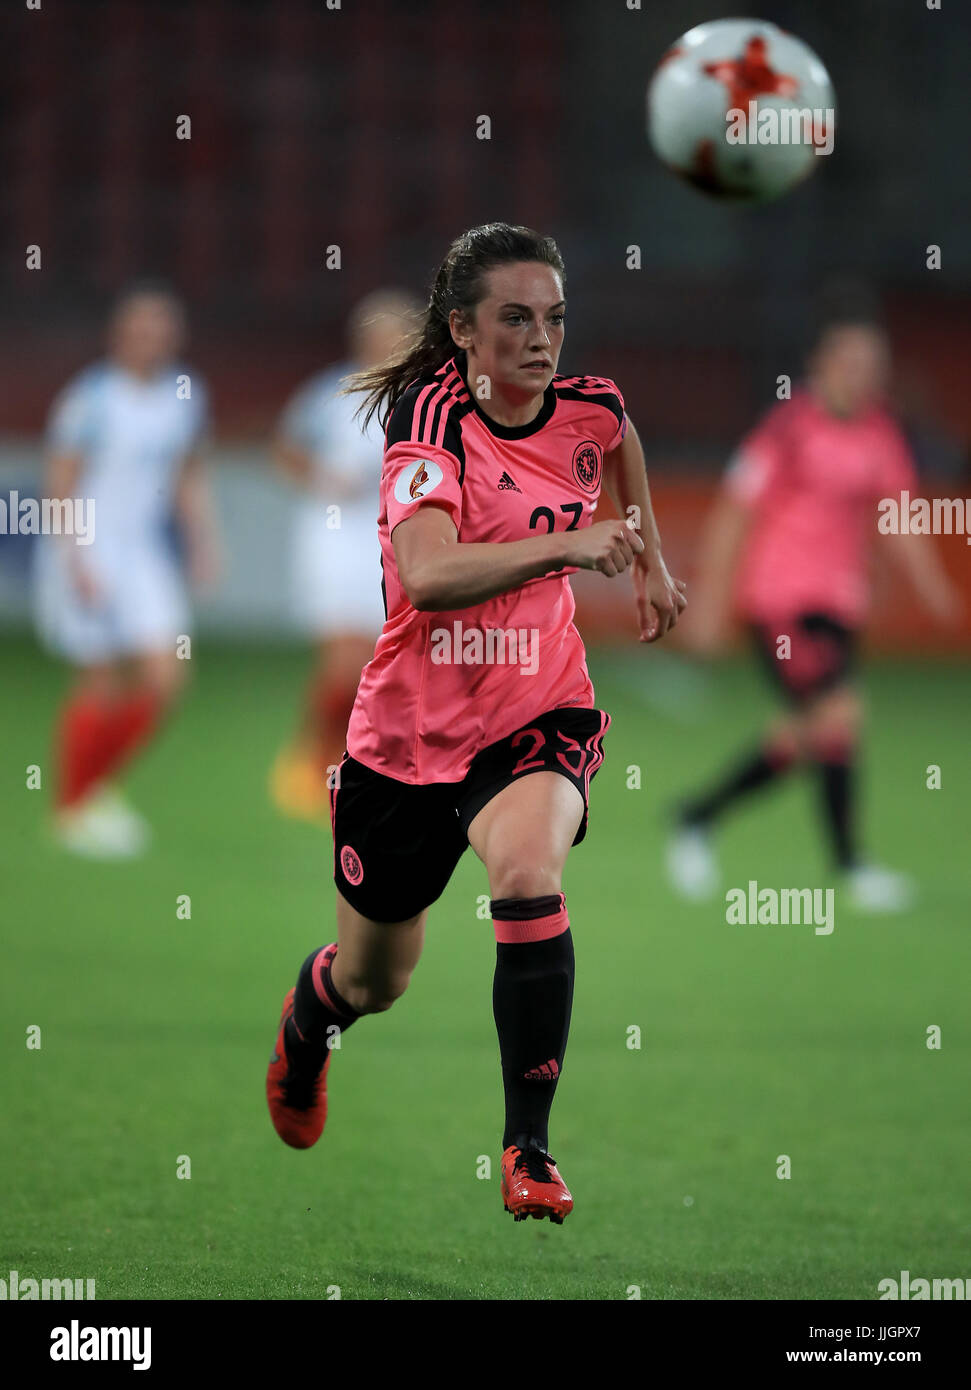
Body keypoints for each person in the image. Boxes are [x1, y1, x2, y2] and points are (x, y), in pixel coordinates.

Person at [266, 222, 686, 1222]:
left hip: (534, 708)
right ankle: (305, 1026)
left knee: (529, 871)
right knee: (374, 981)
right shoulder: (429, 417)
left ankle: (527, 1149)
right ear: (460, 328)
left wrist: (653, 562)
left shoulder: (588, 409)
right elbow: (427, 573)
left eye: (553, 318)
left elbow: (617, 442)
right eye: (513, 319)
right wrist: (571, 549)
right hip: (407, 739)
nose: (541, 340)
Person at [668, 314, 961, 911]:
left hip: (839, 607)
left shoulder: (880, 432)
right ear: (822, 364)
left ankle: (697, 816)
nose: (863, 377)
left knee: (807, 735)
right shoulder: (788, 429)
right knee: (839, 714)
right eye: (852, 363)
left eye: (873, 367)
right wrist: (710, 601)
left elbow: (900, 519)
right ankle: (851, 865)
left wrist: (934, 586)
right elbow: (735, 513)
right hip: (781, 604)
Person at [34, 283, 219, 857]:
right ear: (120, 334)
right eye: (141, 328)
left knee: (168, 676)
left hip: (143, 553)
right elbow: (61, 482)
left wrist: (202, 541)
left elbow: (187, 475)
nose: (152, 339)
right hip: (89, 546)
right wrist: (75, 558)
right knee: (100, 678)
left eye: (162, 328)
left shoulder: (185, 396)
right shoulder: (91, 398)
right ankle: (72, 805)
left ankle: (94, 787)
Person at [269, 290, 421, 820]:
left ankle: (354, 764)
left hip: (396, 544)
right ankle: (311, 758)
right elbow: (285, 448)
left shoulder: (423, 398)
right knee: (342, 662)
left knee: (379, 667)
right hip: (333, 538)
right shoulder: (329, 393)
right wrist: (323, 478)